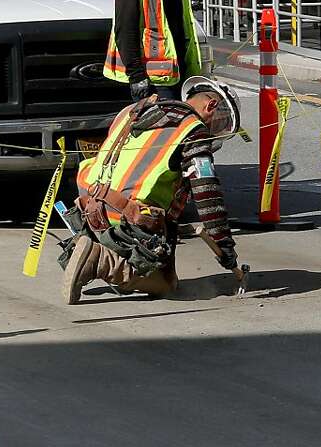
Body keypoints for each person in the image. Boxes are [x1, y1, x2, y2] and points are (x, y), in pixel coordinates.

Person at [60, 76, 242, 303]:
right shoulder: (194, 131)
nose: (216, 131)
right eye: (221, 124)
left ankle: (87, 250)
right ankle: (102, 261)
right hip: (126, 217)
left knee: (163, 264)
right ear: (211, 105)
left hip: (88, 209)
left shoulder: (133, 110)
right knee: (165, 284)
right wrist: (224, 244)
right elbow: (207, 194)